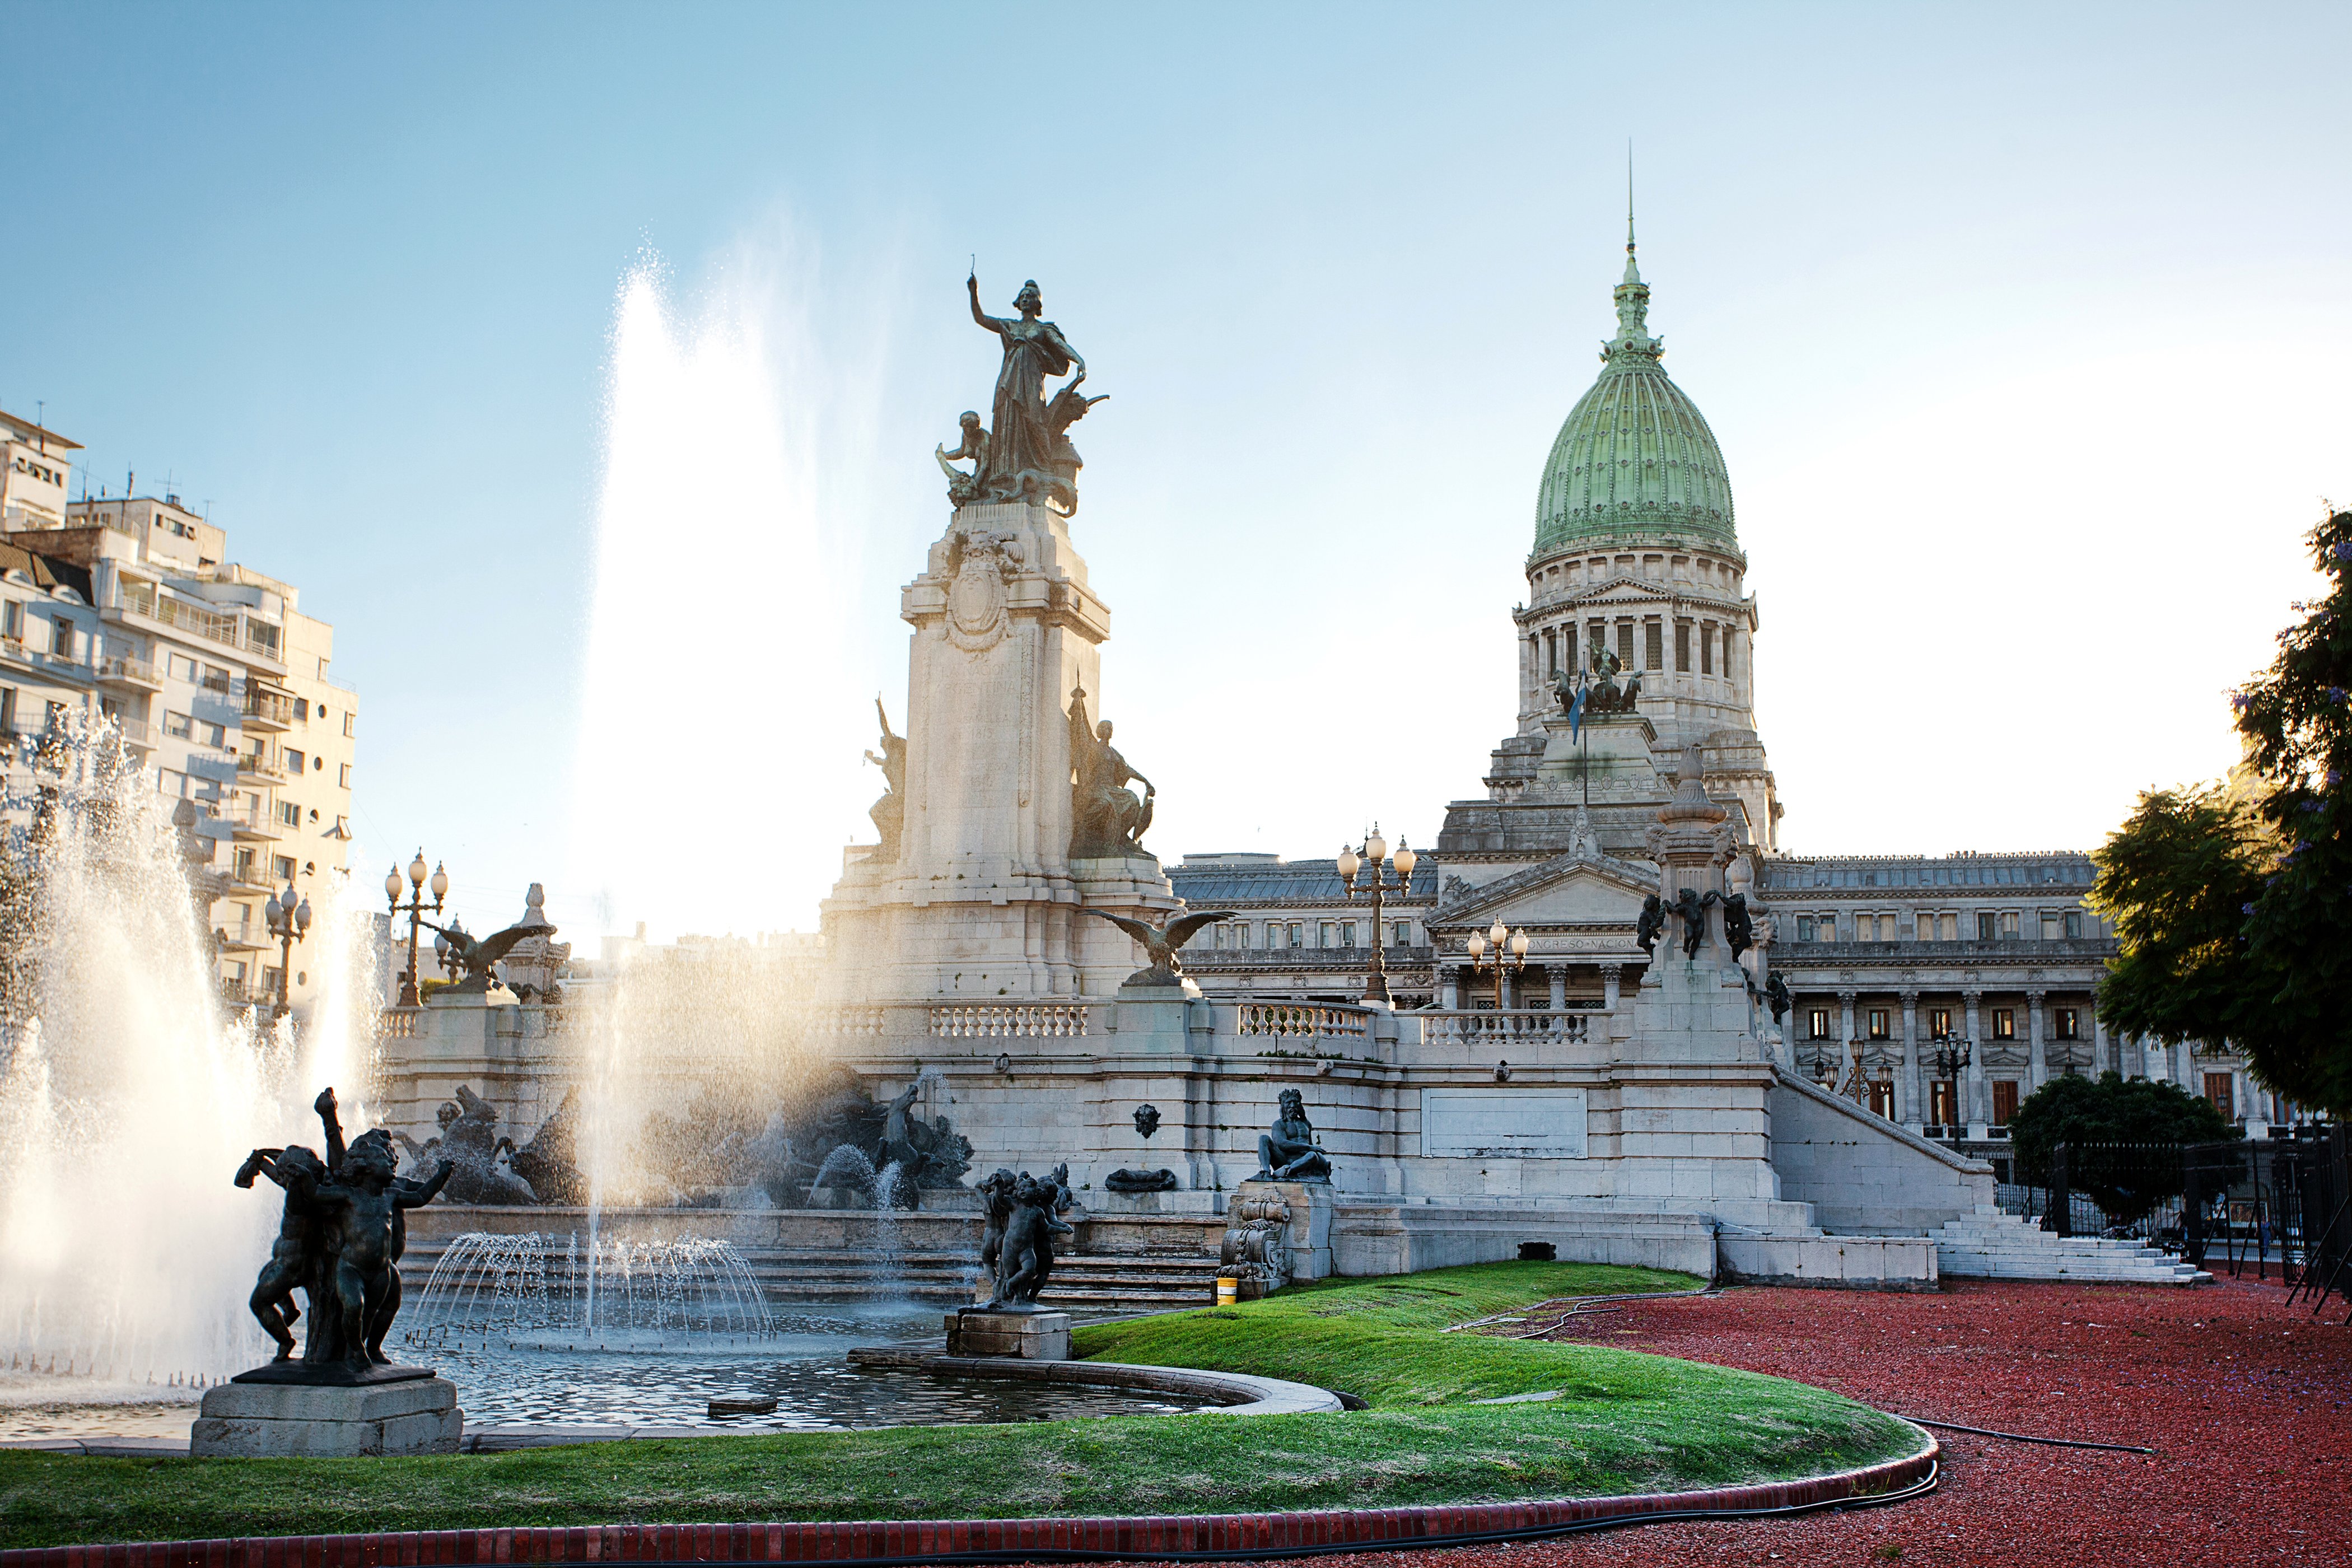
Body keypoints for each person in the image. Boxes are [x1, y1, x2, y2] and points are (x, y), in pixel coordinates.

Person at [968, 274, 1084, 507]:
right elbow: (980, 319)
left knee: (1033, 422)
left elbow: (1061, 346)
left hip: (1031, 383)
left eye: (1030, 297)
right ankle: (1003, 477)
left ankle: (1041, 469)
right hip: (1009, 381)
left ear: (1037, 304)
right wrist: (974, 292)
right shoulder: (1010, 325)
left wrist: (1078, 359)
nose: (1026, 300)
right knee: (1006, 422)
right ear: (1018, 302)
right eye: (1022, 297)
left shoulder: (1043, 329)